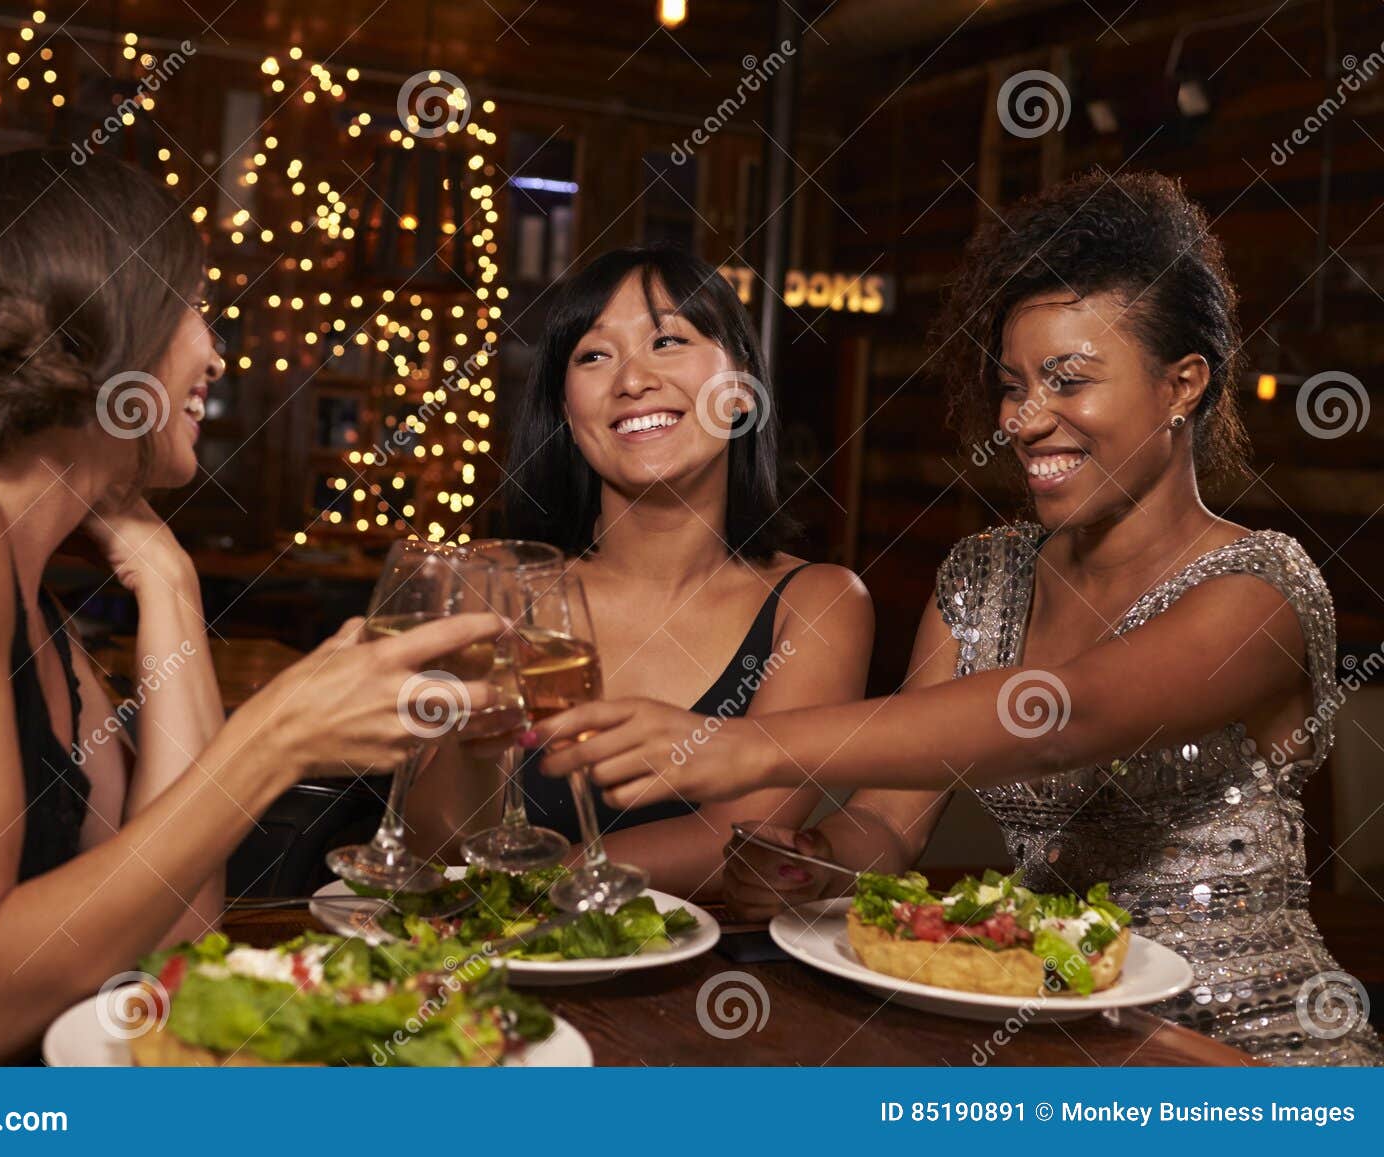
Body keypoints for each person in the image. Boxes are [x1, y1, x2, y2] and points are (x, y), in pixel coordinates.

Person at [526, 172, 1384, 1066]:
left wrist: (740, 745)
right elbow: (891, 827)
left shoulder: (1261, 587)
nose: (1023, 418)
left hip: (1246, 1050)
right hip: (1053, 1032)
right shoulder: (982, 578)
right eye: (1013, 384)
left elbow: (1066, 715)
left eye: (1068, 380)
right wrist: (812, 858)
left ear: (1183, 385)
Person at [0, 149, 497, 1065]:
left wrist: (169, 578)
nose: (217, 350)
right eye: (192, 306)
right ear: (102, 325)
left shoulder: (29, 601)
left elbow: (176, 926)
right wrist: (275, 735)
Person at [406, 246, 873, 901]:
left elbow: (740, 839)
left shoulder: (818, 603)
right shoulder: (499, 587)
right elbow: (430, 840)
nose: (632, 380)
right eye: (594, 355)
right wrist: (476, 723)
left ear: (740, 392)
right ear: (569, 415)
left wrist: (548, 878)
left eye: (668, 340)